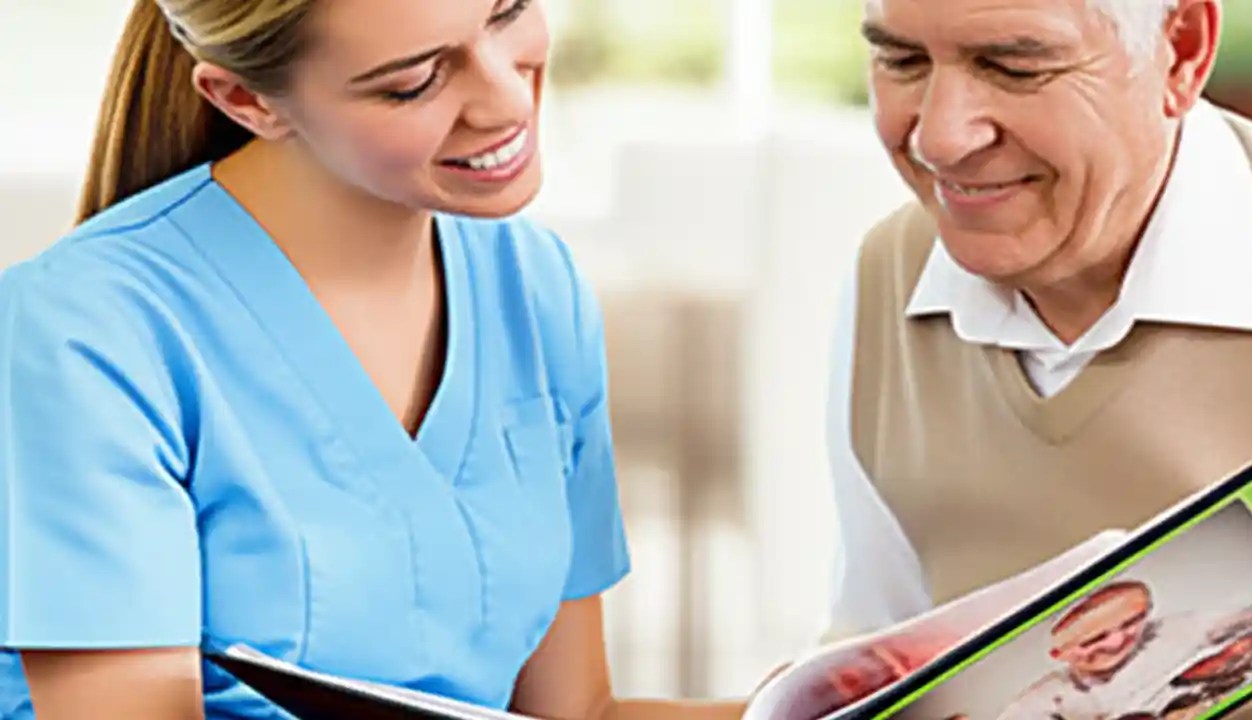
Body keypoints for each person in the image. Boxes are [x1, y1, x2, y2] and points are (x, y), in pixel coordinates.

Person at [0, 1, 747, 718]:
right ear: (246, 101)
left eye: (508, 9)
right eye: (414, 82)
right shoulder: (87, 330)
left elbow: (576, 712)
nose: (504, 101)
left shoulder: (534, 284)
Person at [822, 0, 1252, 716]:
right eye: (902, 61)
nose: (941, 139)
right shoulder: (892, 271)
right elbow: (879, 641)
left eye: (1014, 67)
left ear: (1183, 51)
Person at [995, 580, 1252, 719]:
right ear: (1059, 654)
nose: (1118, 641)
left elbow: (1246, 615)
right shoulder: (1052, 695)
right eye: (1093, 640)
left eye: (1133, 621)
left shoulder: (1169, 632)